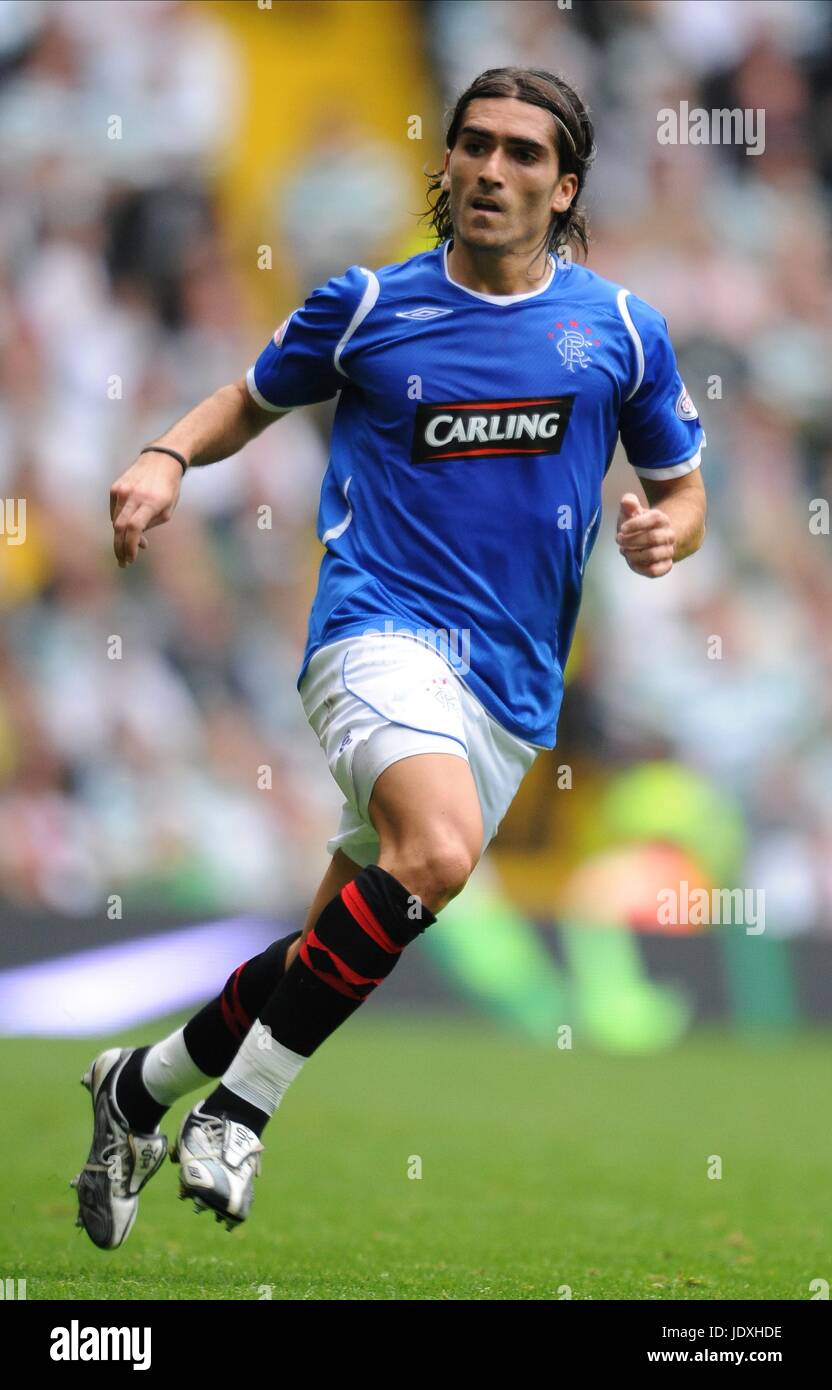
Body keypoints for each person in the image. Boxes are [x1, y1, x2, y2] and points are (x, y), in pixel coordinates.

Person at [74, 66, 706, 1247]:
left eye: (522, 153)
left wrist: (666, 529)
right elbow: (246, 399)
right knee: (442, 850)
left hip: (510, 693)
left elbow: (682, 486)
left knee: (334, 939)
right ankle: (241, 1115)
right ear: (447, 162)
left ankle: (137, 1088)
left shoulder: (619, 331)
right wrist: (164, 456)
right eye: (473, 145)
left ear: (562, 186)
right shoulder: (370, 306)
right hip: (376, 634)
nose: (489, 168)